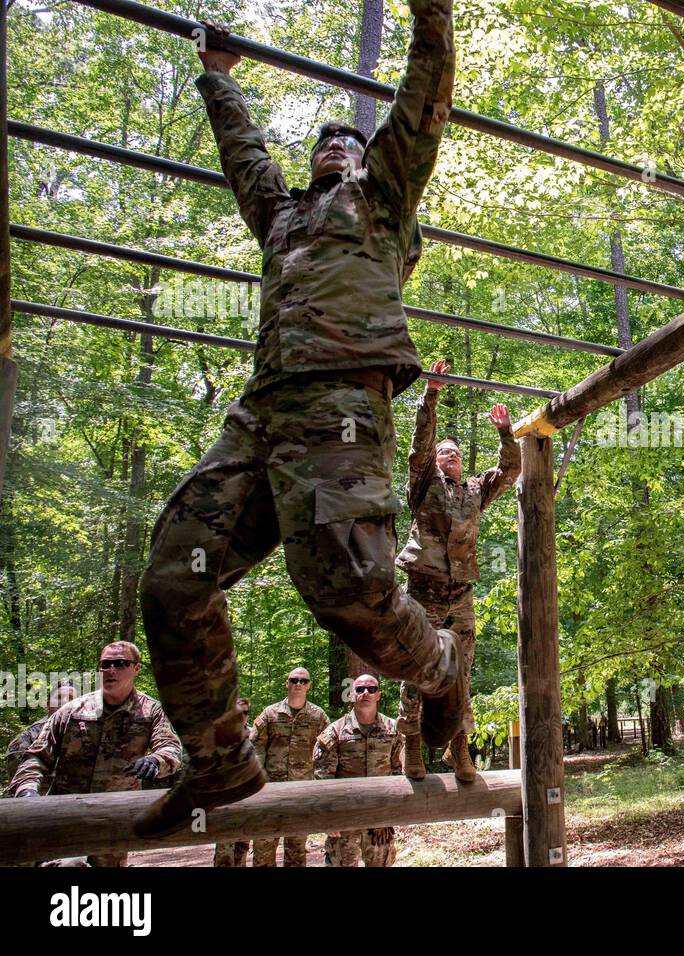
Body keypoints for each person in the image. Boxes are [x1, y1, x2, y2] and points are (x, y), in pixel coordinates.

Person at [134, 0, 465, 838]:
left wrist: (433, 12)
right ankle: (219, 759)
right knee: (175, 578)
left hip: (343, 406)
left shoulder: (384, 202)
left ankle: (442, 666)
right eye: (323, 142)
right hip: (261, 414)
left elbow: (422, 102)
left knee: (350, 591)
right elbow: (244, 158)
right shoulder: (281, 219)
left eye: (345, 141)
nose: (333, 145)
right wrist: (216, 80)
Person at [395, 359, 519, 781]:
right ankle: (412, 744)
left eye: (455, 453)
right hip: (424, 589)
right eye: (444, 452)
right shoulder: (424, 483)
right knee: (418, 666)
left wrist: (505, 433)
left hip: (460, 594)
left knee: (462, 671)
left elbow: (510, 470)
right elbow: (419, 447)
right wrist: (430, 393)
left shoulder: (474, 491)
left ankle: (458, 747)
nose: (449, 457)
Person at [7, 642, 183, 866]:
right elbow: (36, 756)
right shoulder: (72, 710)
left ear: (136, 668)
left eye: (120, 664)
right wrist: (26, 791)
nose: (111, 670)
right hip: (65, 815)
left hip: (114, 818)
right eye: (105, 664)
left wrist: (157, 761)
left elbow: (170, 748)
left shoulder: (151, 711)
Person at [312, 675, 403, 867]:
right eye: (360, 689)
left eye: (371, 689)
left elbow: (397, 773)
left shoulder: (393, 730)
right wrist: (328, 817)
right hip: (344, 819)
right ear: (352, 695)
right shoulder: (335, 732)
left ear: (378, 695)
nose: (365, 693)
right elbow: (322, 781)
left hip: (379, 819)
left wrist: (393, 813)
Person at [244, 671, 329, 866]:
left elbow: (326, 754)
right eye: (294, 680)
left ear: (309, 685)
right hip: (270, 793)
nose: (298, 683)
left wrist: (320, 786)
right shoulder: (270, 714)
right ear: (287, 683)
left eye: (303, 681)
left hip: (301, 793)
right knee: (263, 849)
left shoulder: (318, 717)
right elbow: (255, 749)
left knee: (296, 850)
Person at [5, 679, 79, 790]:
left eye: (70, 698)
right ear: (48, 704)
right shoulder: (26, 739)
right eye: (58, 698)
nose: (64, 703)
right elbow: (19, 782)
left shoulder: (85, 734)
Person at [213, 696, 253, 867]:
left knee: (242, 848)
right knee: (224, 850)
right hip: (225, 800)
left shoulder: (255, 735)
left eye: (245, 712)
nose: (241, 716)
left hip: (248, 799)